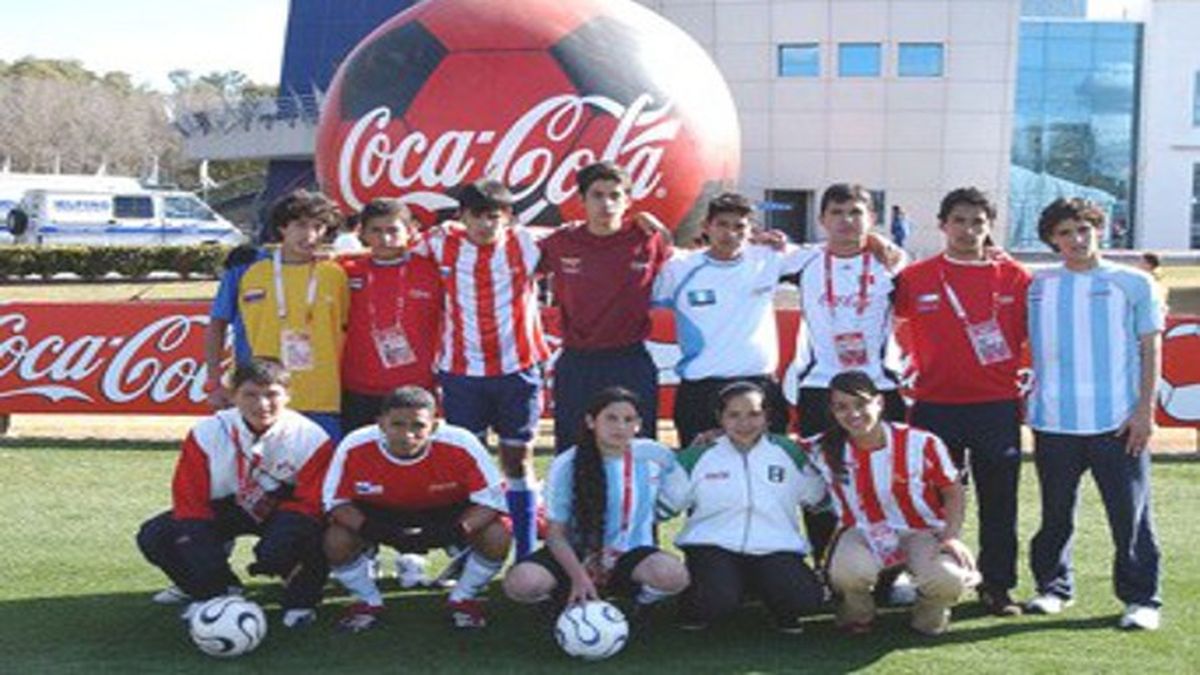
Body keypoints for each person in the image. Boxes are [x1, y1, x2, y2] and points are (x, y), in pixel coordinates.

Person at [655, 191, 903, 448]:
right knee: (701, 473)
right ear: (706, 227)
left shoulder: (769, 258)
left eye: (739, 226)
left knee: (771, 470)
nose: (730, 234)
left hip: (760, 382)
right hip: (700, 388)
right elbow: (644, 294)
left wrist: (875, 240)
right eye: (722, 225)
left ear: (751, 230)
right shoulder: (680, 267)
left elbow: (845, 245)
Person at [1025, 198, 1164, 630]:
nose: (1076, 239)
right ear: (1052, 239)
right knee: (1056, 514)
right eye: (1065, 233)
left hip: (1117, 422)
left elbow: (1150, 348)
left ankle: (1142, 599)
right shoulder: (1038, 286)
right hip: (1054, 421)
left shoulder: (1134, 283)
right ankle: (1053, 587)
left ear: (1099, 230)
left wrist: (1144, 411)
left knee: (1131, 516)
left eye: (1084, 229)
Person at [892, 187, 1031, 616]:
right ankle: (930, 580)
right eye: (959, 221)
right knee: (930, 501)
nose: (968, 230)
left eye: (978, 222)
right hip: (934, 406)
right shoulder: (915, 277)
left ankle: (997, 586)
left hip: (996, 404)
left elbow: (1033, 336)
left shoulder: (1015, 276)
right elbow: (891, 329)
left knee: (998, 501)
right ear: (942, 225)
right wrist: (907, 371)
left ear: (990, 227)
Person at [136, 358, 334, 628]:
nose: (262, 404)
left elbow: (312, 504)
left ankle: (301, 599)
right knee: (156, 535)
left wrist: (279, 543)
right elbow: (190, 502)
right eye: (250, 395)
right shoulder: (206, 433)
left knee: (313, 536)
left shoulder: (311, 437)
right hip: (225, 506)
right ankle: (214, 591)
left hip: (283, 508)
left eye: (271, 395)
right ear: (232, 395)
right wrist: (204, 555)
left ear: (288, 396)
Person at [422, 179, 550, 559]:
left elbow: (588, 234)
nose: (485, 225)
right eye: (476, 216)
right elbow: (382, 249)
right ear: (462, 217)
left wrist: (643, 224)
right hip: (462, 374)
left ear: (508, 217)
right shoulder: (439, 241)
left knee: (517, 460)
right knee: (468, 466)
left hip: (517, 369)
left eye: (494, 217)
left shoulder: (528, 243)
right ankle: (467, 554)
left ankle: (525, 555)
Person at [788, 183, 907, 572]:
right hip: (819, 388)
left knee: (888, 480)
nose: (846, 221)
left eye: (856, 212)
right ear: (821, 219)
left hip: (880, 387)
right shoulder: (800, 261)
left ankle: (894, 570)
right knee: (822, 482)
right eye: (837, 213)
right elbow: (741, 253)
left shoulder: (892, 262)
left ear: (871, 220)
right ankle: (827, 566)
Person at [322, 386, 511, 632]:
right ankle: (368, 601)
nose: (407, 435)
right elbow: (336, 503)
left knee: (497, 535)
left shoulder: (461, 442)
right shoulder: (355, 445)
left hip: (446, 510)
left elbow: (491, 502)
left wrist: (454, 530)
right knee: (336, 539)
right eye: (397, 424)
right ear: (380, 424)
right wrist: (374, 530)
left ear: (433, 425)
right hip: (379, 512)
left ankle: (463, 598)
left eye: (418, 426)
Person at [811, 371, 977, 636]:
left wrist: (951, 537)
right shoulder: (822, 448)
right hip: (861, 532)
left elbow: (953, 490)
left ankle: (929, 613)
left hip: (919, 530)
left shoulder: (921, 442)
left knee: (948, 579)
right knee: (847, 572)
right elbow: (778, 446)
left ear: (879, 402)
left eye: (860, 404)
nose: (853, 414)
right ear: (832, 411)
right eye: (841, 407)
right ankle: (858, 613)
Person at [503, 387, 689, 617]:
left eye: (628, 420)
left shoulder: (655, 455)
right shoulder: (567, 463)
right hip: (577, 554)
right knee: (522, 583)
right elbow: (555, 535)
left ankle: (638, 603)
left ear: (638, 424)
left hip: (630, 555)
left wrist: (653, 515)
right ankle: (559, 601)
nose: (620, 427)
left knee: (673, 575)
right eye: (611, 418)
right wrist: (579, 577)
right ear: (591, 421)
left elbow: (679, 492)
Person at [665, 382, 828, 632]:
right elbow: (666, 505)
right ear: (720, 418)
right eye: (734, 415)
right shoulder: (699, 455)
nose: (745, 423)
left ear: (767, 416)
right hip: (714, 547)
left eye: (754, 414)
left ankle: (759, 586)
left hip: (774, 547)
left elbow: (818, 499)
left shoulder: (789, 452)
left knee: (804, 601)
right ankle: (709, 593)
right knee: (713, 601)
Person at [538, 161, 673, 453]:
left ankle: (637, 500)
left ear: (628, 201)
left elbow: (680, 253)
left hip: (630, 359)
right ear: (581, 200)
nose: (606, 203)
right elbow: (509, 252)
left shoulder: (647, 240)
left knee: (637, 450)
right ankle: (575, 501)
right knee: (574, 449)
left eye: (615, 196)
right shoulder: (560, 242)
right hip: (578, 361)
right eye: (597, 195)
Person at [207, 189, 350, 441]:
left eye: (319, 227)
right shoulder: (245, 267)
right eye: (301, 225)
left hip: (321, 397)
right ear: (283, 227)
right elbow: (217, 325)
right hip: (260, 398)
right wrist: (214, 383)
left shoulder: (336, 273)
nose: (310, 235)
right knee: (259, 476)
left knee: (320, 476)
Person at [339, 198, 443, 434]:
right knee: (361, 463)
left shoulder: (433, 270)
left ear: (410, 231)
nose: (385, 239)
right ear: (362, 233)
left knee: (415, 462)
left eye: (393, 230)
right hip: (358, 388)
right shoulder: (344, 270)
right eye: (376, 230)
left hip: (416, 388)